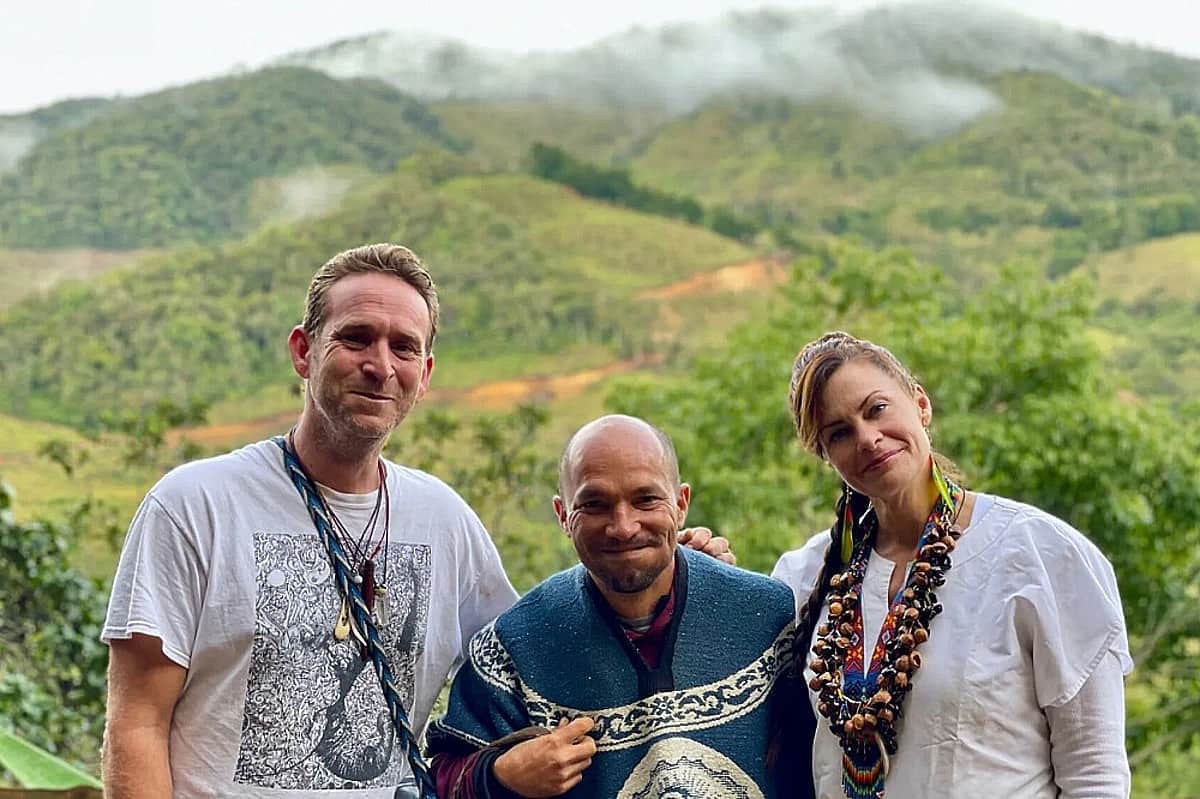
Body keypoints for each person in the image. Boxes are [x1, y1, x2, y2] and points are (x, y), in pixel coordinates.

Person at [100, 244, 733, 799]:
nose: (380, 365)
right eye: (356, 338)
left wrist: (677, 575)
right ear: (303, 351)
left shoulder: (443, 519)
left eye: (403, 347)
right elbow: (138, 723)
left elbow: (551, 649)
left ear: (424, 375)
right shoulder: (196, 505)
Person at [771, 331, 1133, 799]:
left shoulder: (1041, 557)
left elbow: (1094, 776)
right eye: (839, 433)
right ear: (826, 456)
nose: (868, 438)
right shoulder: (803, 578)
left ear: (920, 404)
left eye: (877, 409)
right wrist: (695, 566)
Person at [425, 414, 808, 799]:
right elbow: (442, 776)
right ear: (563, 515)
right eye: (595, 504)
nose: (623, 527)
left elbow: (819, 761)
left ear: (681, 504)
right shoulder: (514, 646)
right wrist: (501, 774)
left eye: (646, 499)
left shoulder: (769, 617)